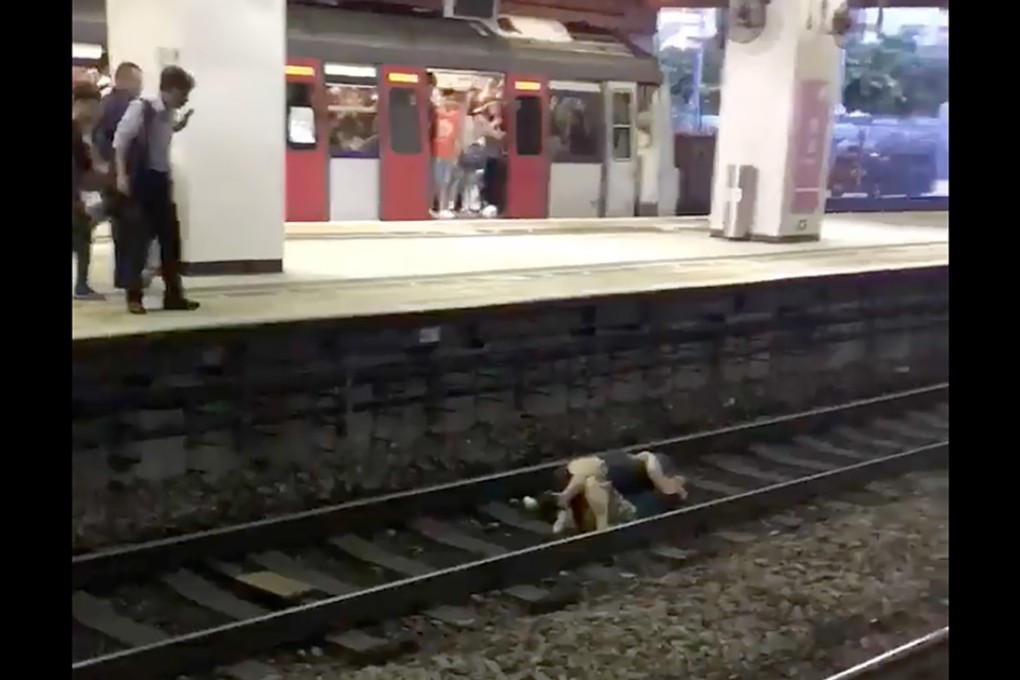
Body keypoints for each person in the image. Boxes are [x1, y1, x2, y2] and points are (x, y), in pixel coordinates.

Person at [112, 65, 199, 315]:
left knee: (170, 239)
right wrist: (122, 175)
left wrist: (179, 126)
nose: (186, 99)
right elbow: (120, 141)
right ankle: (134, 297)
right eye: (183, 93)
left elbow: (162, 135)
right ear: (170, 89)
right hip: (141, 181)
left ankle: (173, 295)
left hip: (161, 180)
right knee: (138, 240)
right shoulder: (142, 107)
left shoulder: (168, 113)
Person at [523, 450, 689, 535]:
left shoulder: (646, 469)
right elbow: (649, 461)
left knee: (587, 483)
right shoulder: (648, 466)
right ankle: (559, 501)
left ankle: (558, 501)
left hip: (598, 476)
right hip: (601, 475)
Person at [95, 61, 144, 290]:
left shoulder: (104, 103)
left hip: (109, 176)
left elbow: (98, 139)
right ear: (124, 80)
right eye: (138, 81)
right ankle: (129, 277)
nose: (140, 87)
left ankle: (122, 275)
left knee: (120, 229)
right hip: (126, 174)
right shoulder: (126, 105)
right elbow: (128, 142)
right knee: (132, 228)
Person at [72, 81, 106, 300]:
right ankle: (81, 286)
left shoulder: (86, 132)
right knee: (82, 238)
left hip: (77, 196)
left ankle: (82, 285)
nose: (95, 112)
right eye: (91, 106)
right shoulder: (74, 131)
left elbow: (85, 168)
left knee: (83, 238)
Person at [431, 89, 462, 219]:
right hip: (436, 152)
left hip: (447, 153)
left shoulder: (454, 116)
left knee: (445, 181)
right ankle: (436, 207)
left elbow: (456, 138)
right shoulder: (435, 113)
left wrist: (456, 155)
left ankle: (443, 207)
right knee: (437, 180)